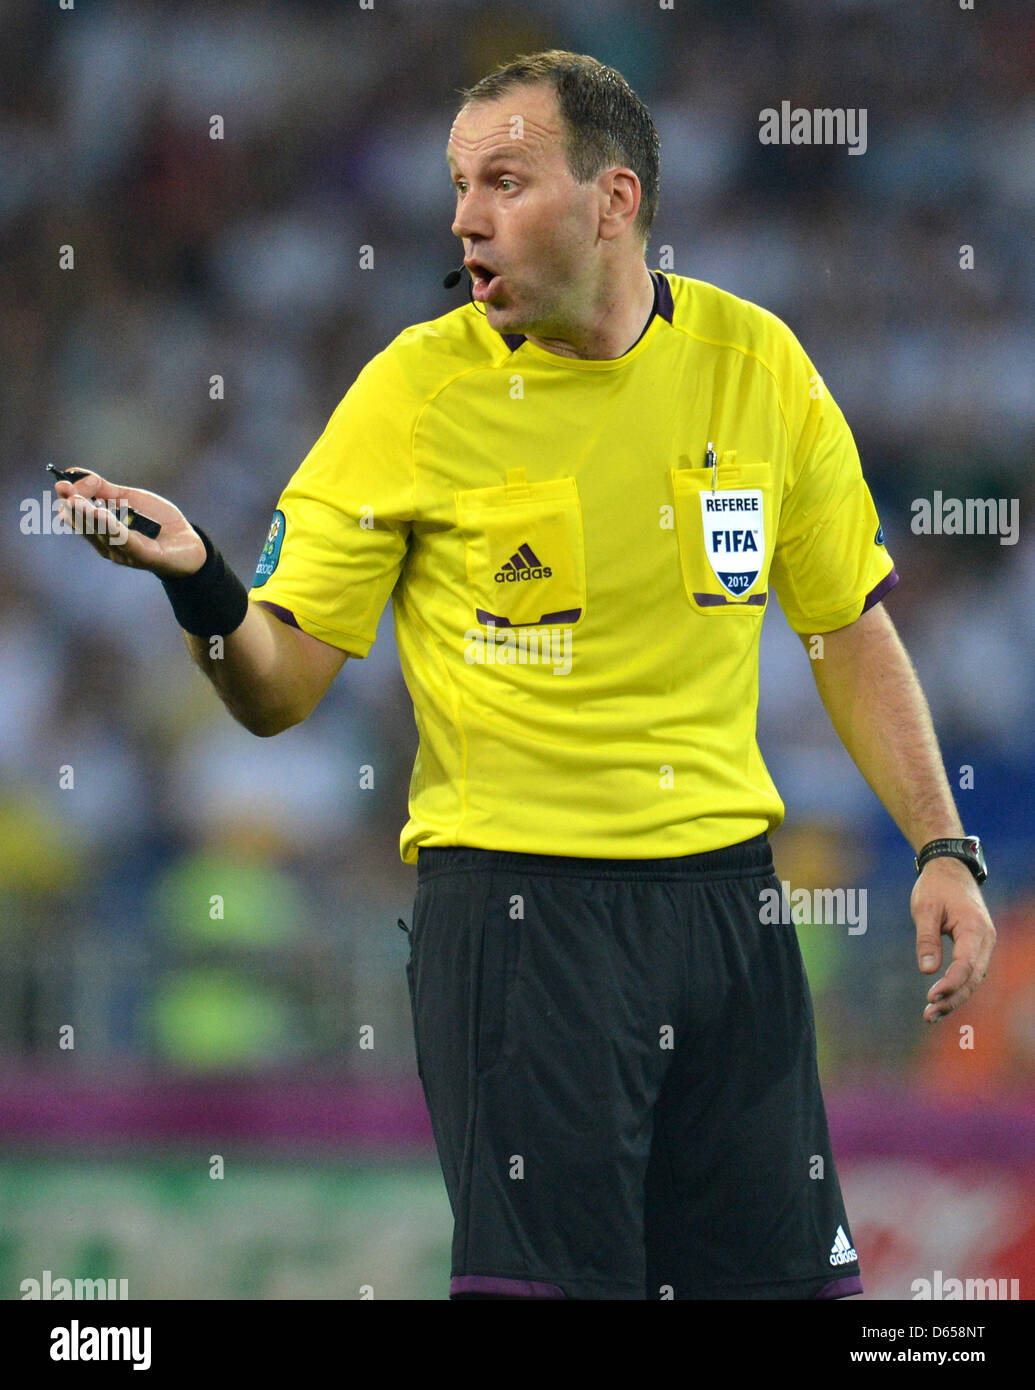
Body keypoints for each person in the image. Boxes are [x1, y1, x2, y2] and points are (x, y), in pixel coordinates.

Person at [53, 50, 996, 1301]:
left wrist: (942, 844)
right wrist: (204, 586)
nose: (463, 218)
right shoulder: (413, 391)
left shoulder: (758, 364)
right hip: (521, 920)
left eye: (503, 179)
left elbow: (847, 628)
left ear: (613, 202)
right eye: (457, 185)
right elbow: (275, 689)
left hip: (730, 916)